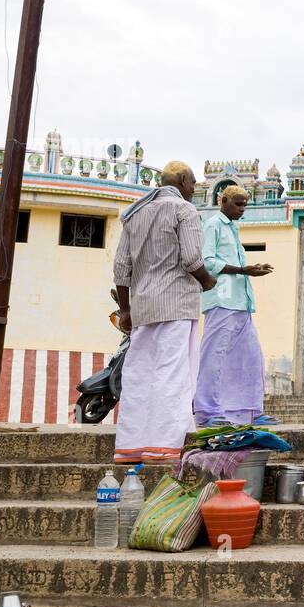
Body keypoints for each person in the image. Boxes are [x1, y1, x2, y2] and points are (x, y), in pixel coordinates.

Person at [112, 161, 216, 463]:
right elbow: (191, 258)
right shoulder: (184, 210)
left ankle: (131, 446)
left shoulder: (135, 214)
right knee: (173, 373)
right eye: (193, 182)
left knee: (139, 374)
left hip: (143, 307)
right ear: (182, 180)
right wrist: (207, 281)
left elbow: (121, 269)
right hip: (175, 303)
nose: (194, 189)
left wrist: (125, 310)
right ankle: (163, 445)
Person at [194, 185, 276, 428]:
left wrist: (251, 269)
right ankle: (207, 412)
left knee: (249, 357)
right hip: (221, 300)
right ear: (223, 200)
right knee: (214, 356)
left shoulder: (233, 228)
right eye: (238, 204)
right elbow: (207, 261)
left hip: (241, 302)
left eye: (245, 205)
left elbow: (234, 263)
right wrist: (243, 270)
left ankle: (248, 412)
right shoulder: (213, 225)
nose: (242, 209)